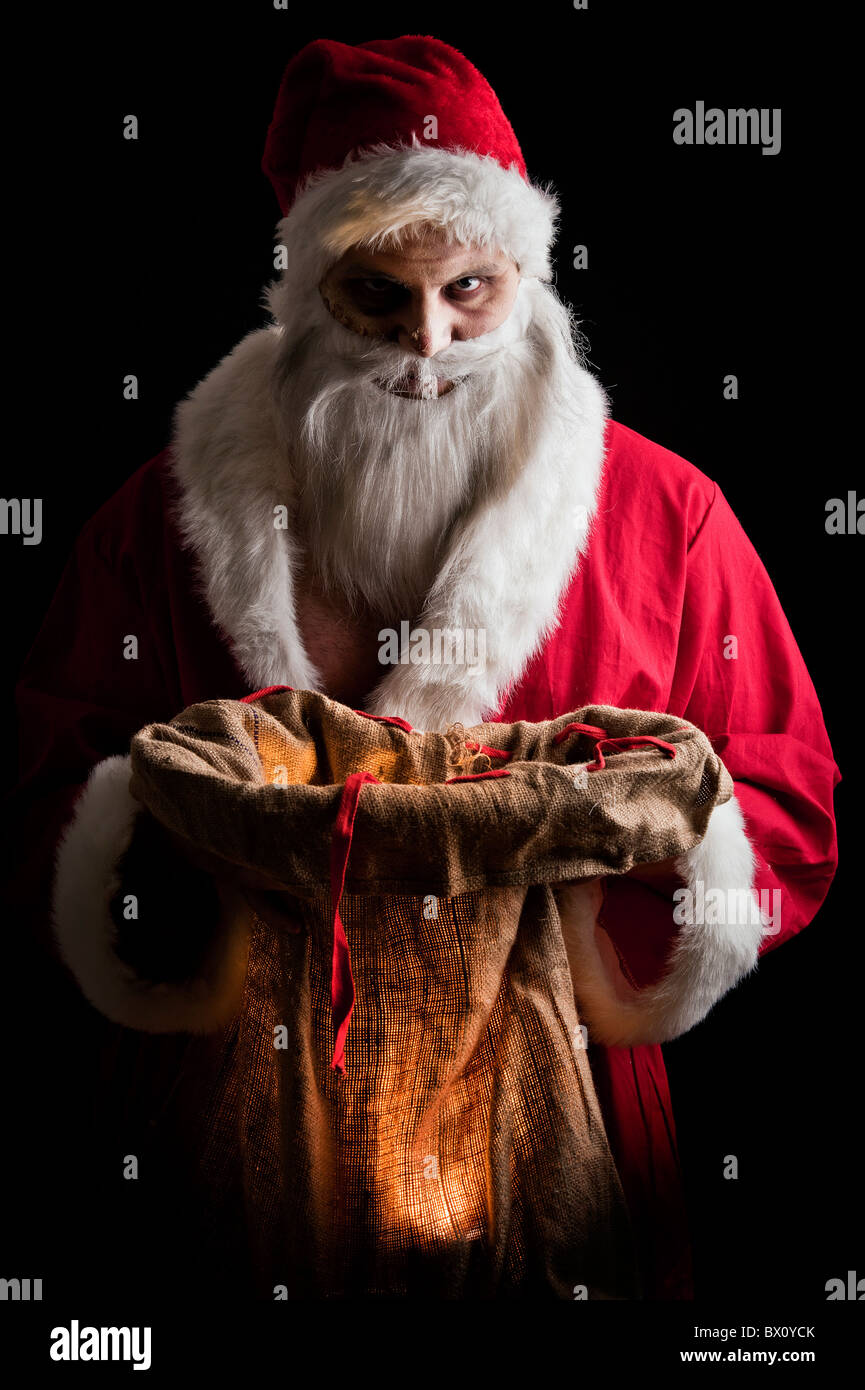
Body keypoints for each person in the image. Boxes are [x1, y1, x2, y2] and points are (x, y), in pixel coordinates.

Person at [10, 35, 839, 1299]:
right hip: (231, 1139)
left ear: (524, 271)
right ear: (305, 291)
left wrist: (587, 892)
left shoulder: (668, 518)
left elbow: (786, 802)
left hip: (568, 1143)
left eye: (471, 289)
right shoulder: (154, 524)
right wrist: (199, 866)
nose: (430, 344)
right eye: (376, 300)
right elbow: (47, 786)